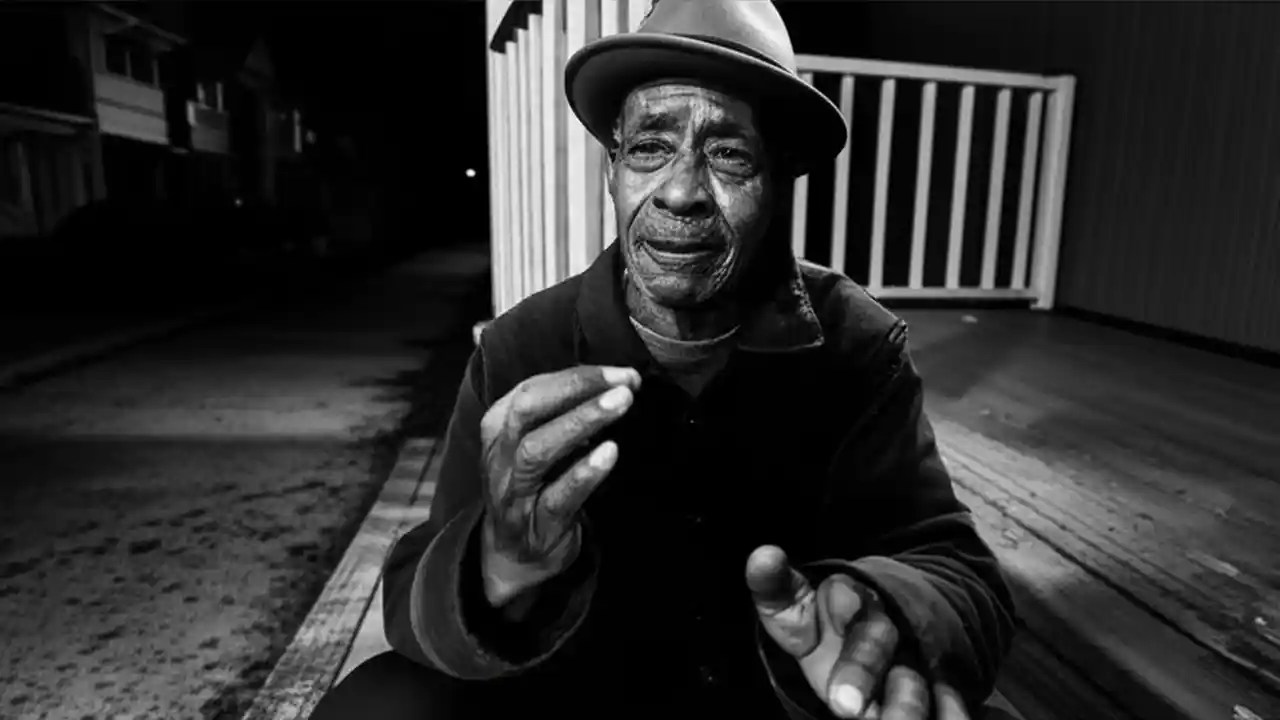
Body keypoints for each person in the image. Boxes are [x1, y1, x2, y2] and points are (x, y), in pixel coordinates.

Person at [311, 1, 1017, 718]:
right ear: (611, 170)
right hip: (576, 705)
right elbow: (411, 607)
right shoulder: (522, 348)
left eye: (730, 155)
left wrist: (885, 609)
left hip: (772, 705)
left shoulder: (856, 345)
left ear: (775, 183)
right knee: (378, 702)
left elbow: (957, 571)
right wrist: (496, 562)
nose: (681, 192)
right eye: (650, 146)